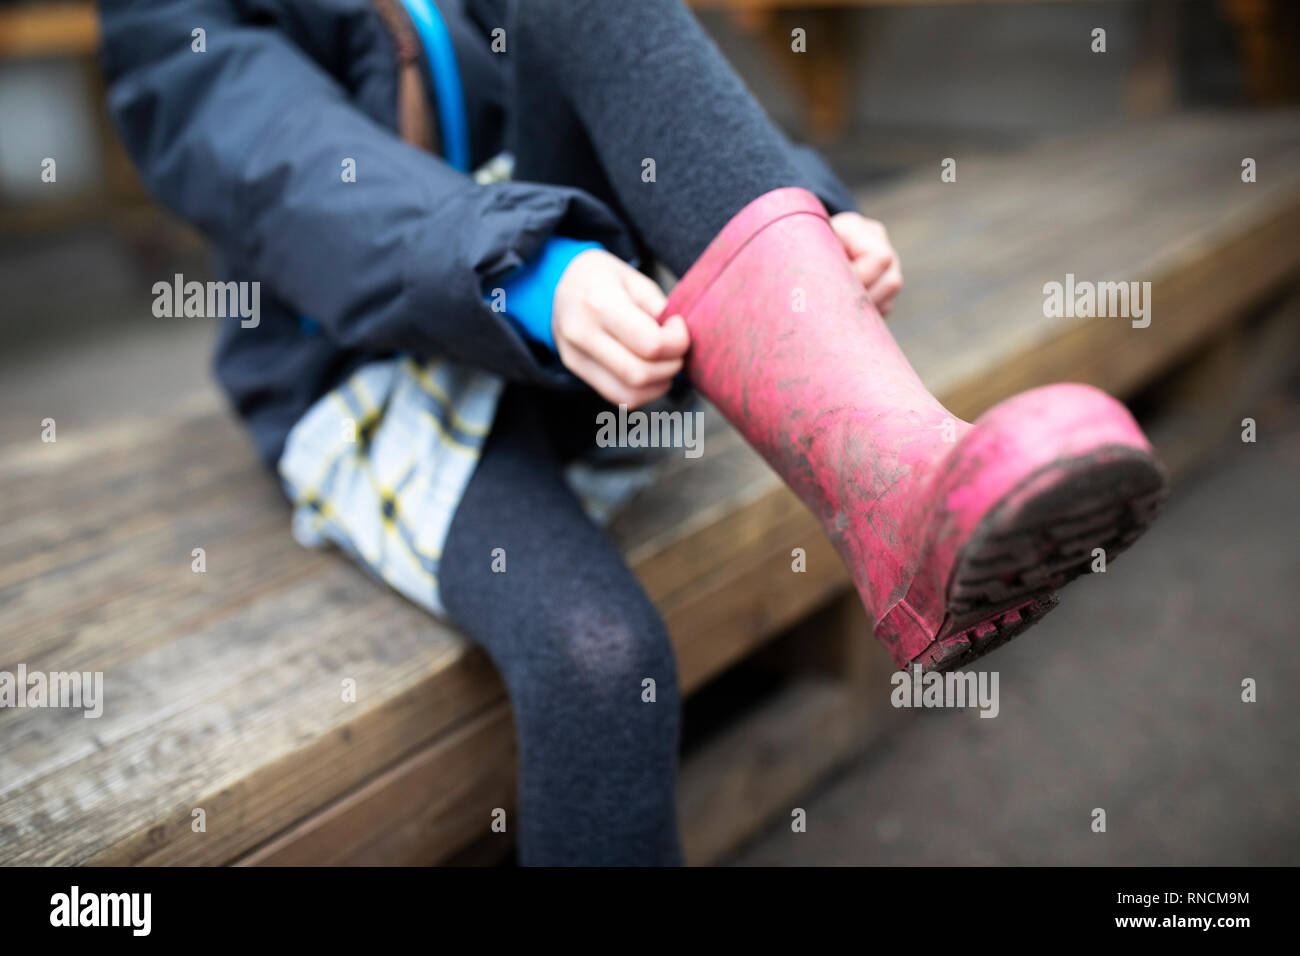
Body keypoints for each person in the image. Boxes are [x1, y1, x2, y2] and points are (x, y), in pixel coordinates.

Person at [100, 0, 1165, 866]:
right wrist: (523, 268)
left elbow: (647, 77)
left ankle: (899, 477)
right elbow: (282, 168)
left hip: (591, 337)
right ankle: (896, 501)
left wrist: (798, 216)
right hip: (383, 372)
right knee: (603, 662)